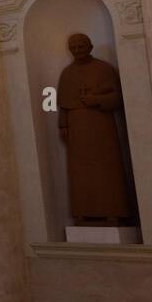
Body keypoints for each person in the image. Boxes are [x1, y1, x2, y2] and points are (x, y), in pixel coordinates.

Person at [57, 33, 130, 223]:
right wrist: (64, 125)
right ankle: (83, 212)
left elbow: (117, 98)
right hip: (77, 130)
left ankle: (113, 211)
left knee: (107, 168)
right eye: (73, 48)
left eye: (81, 47)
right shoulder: (67, 74)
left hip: (101, 125)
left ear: (90, 46)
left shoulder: (104, 69)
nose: (77, 51)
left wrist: (96, 100)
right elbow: (63, 105)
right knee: (80, 172)